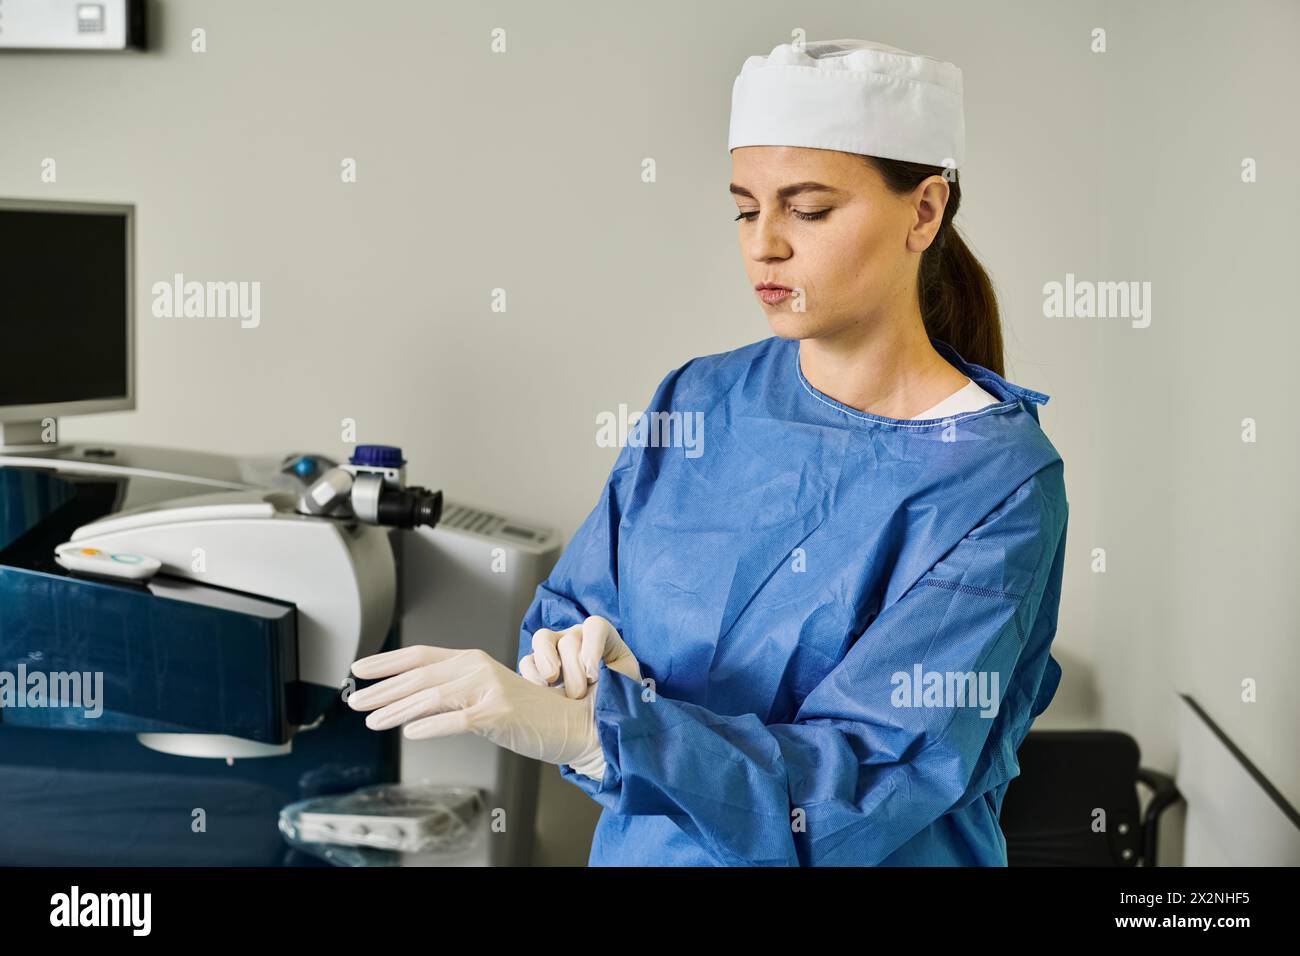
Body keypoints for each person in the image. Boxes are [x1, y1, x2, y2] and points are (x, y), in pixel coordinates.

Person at [347, 38, 1069, 866]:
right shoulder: (697, 399)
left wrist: (608, 735)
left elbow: (869, 784)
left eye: (809, 209)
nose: (764, 244)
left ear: (924, 211)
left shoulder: (996, 483)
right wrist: (597, 674)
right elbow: (572, 609)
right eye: (743, 207)